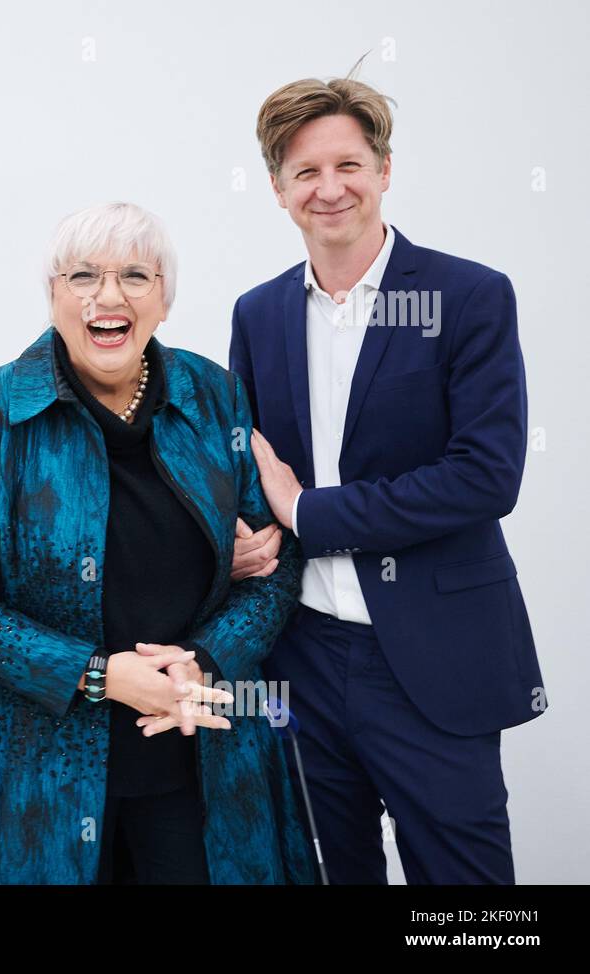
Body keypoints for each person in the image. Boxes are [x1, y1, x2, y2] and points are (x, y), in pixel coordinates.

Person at [0, 202, 315, 884]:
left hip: (199, 745)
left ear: (163, 299)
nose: (109, 296)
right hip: (36, 768)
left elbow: (276, 567)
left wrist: (204, 663)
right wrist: (100, 675)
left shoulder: (215, 395)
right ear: (52, 295)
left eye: (135, 274)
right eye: (82, 277)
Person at [231, 74, 545, 884]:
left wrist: (308, 512)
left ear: (385, 169)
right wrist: (242, 537)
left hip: (432, 658)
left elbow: (485, 476)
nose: (329, 189)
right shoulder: (258, 313)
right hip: (299, 656)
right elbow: (247, 468)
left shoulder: (467, 295)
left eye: (348, 165)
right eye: (305, 173)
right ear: (277, 189)